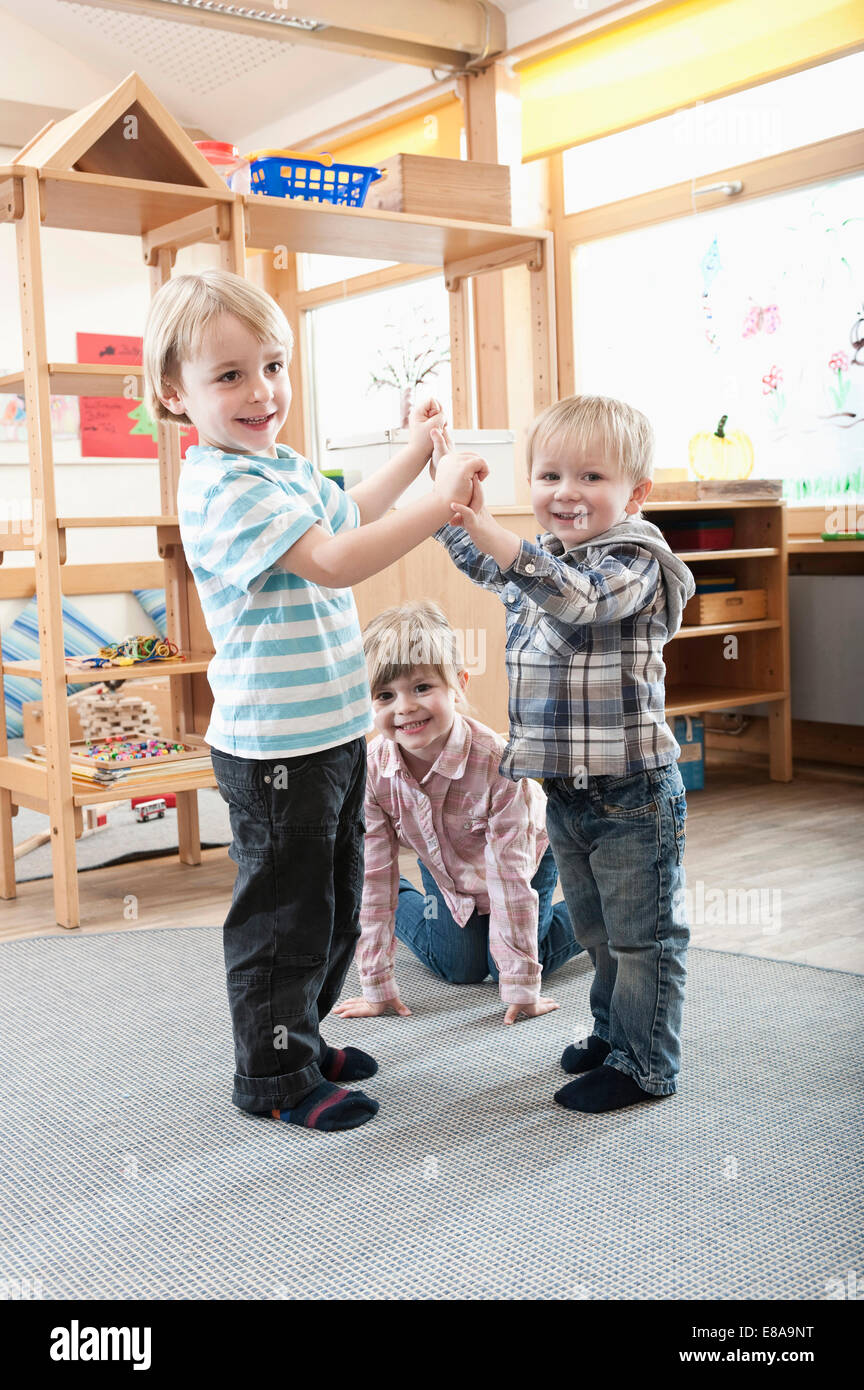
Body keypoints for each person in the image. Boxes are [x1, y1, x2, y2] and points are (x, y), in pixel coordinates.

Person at [142, 268, 485, 1133]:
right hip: (274, 750)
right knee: (285, 917)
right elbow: (337, 560)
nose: (261, 391)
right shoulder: (225, 486)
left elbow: (350, 511)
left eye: (273, 366)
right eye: (229, 376)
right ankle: (273, 1074)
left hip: (329, 734)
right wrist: (443, 506)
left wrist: (414, 449)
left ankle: (300, 1035)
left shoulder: (277, 464)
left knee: (331, 900)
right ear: (175, 396)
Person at [430, 396, 696, 1113]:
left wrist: (494, 531)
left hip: (634, 793)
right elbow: (483, 561)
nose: (565, 493)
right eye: (548, 476)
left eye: (589, 478)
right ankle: (613, 1036)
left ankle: (645, 1067)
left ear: (634, 492)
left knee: (644, 940)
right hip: (569, 794)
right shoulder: (545, 556)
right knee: (598, 932)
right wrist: (444, 481)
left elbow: (577, 601)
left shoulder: (637, 560)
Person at [333, 600, 582, 1028]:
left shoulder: (499, 763)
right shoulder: (371, 770)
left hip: (524, 858)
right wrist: (375, 983)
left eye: (422, 687)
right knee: (459, 969)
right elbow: (373, 879)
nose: (405, 708)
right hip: (446, 864)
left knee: (503, 966)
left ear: (458, 684)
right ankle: (417, 898)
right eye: (385, 696)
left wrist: (522, 985)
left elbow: (510, 880)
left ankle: (598, 914)